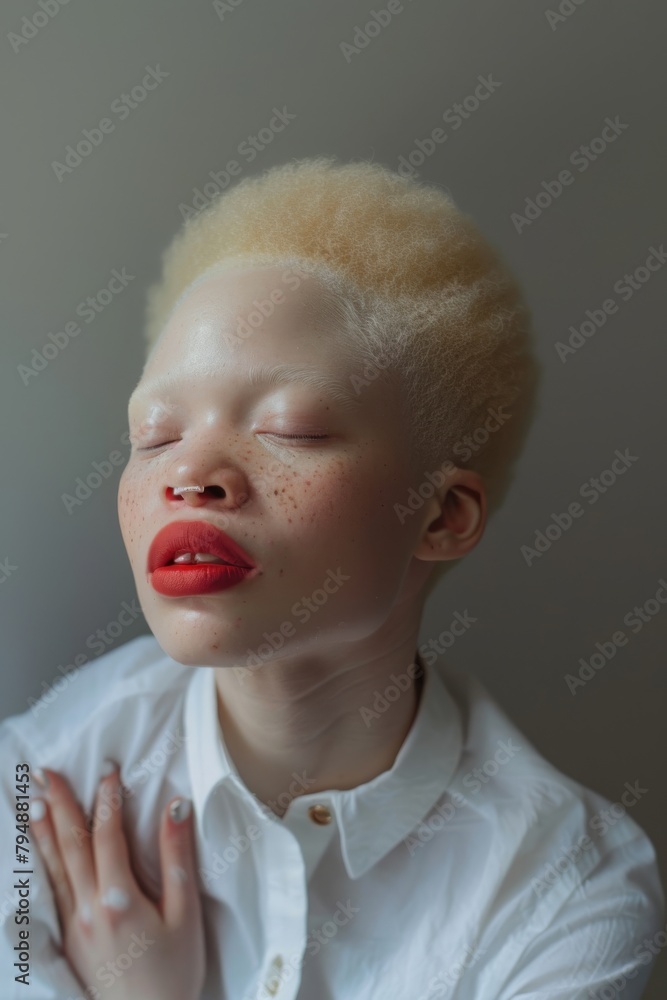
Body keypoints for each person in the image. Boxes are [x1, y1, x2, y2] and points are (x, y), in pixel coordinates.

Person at [0, 156, 663, 999]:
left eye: (290, 427)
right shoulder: (29, 783)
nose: (190, 473)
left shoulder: (569, 895)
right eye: (155, 435)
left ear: (442, 515)